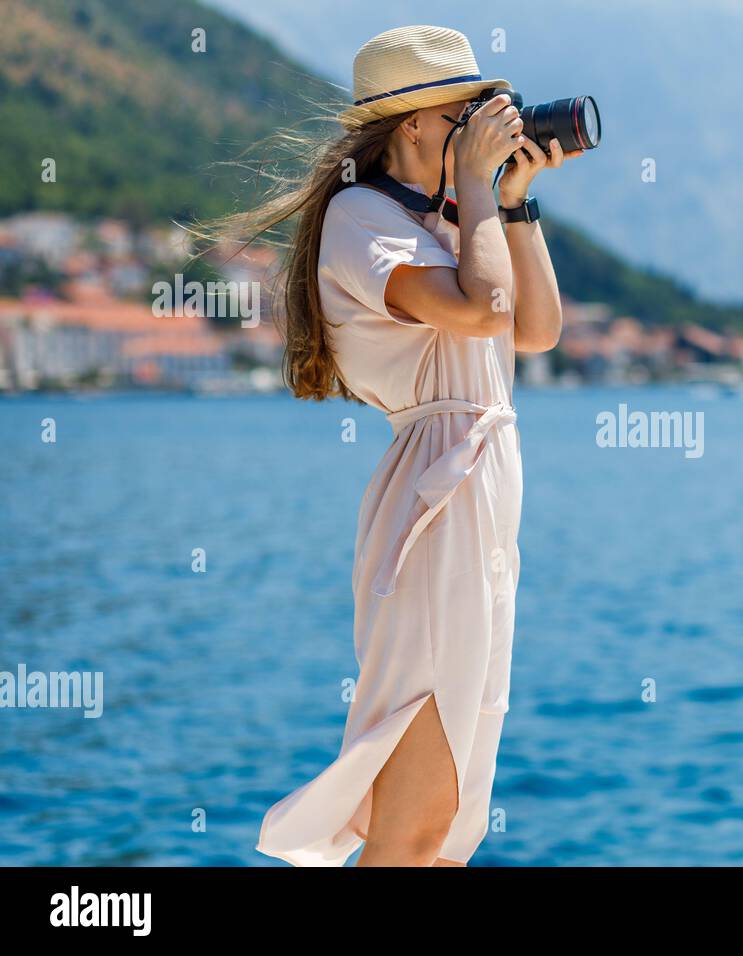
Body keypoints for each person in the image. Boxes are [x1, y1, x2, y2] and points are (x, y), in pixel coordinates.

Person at [203, 24, 579, 866]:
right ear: (410, 124)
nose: (485, 128)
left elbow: (540, 329)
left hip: (482, 492)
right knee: (414, 812)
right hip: (436, 494)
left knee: (451, 822)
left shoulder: (454, 215)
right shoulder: (358, 215)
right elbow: (483, 309)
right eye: (466, 114)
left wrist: (513, 200)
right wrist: (479, 189)